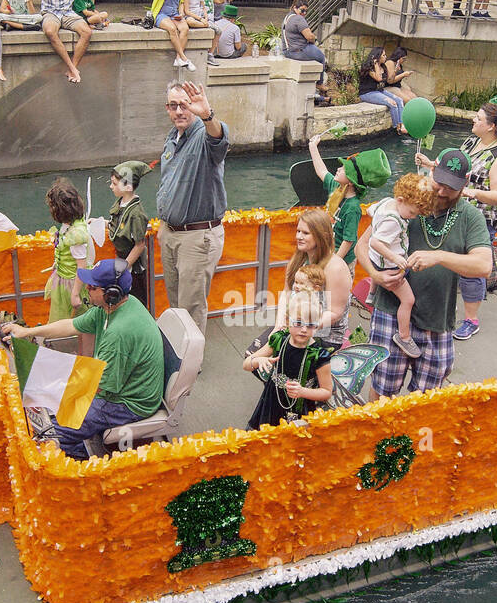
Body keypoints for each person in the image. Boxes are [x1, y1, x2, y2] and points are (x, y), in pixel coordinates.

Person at [355, 158, 493, 398]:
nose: (440, 191)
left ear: (465, 183)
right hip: (390, 312)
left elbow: (484, 266)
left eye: (450, 187)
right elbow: (363, 245)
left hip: (437, 319)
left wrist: (439, 256)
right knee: (382, 388)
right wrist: (376, 274)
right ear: (431, 170)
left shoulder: (470, 216)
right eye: (438, 182)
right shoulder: (407, 200)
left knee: (426, 397)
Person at [3, 259, 165, 459]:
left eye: (93, 287)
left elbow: (100, 387)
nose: (86, 289)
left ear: (110, 293)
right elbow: (71, 326)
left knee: (52, 432)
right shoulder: (113, 306)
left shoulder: (118, 334)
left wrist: (59, 388)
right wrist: (26, 331)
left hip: (128, 403)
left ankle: (82, 467)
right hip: (115, 385)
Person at [415, 98, 497, 340]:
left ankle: (471, 319)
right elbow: (457, 168)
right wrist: (432, 165)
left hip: (481, 219)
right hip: (457, 210)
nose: (474, 120)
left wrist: (471, 191)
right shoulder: (472, 141)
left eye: (479, 118)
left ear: (491, 126)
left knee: (471, 270)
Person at [156, 80, 227, 332]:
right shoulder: (173, 136)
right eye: (173, 106)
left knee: (191, 306)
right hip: (170, 234)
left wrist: (207, 116)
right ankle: (178, 351)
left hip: (197, 238)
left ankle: (189, 364)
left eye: (184, 105)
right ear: (167, 108)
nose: (179, 111)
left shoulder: (203, 135)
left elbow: (219, 140)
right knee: (176, 302)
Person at [243, 290, 335, 429]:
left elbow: (327, 392)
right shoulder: (279, 340)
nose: (303, 329)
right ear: (287, 321)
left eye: (310, 325)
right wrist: (258, 361)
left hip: (300, 409)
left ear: (317, 326)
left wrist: (303, 392)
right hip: (271, 404)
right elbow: (246, 365)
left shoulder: (318, 354)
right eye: (298, 323)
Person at [307, 137, 391, 271]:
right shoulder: (336, 187)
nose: (339, 169)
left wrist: (334, 263)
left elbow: (348, 240)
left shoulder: (353, 207)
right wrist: (313, 147)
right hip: (326, 251)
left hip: (341, 260)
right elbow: (321, 171)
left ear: (351, 182)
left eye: (344, 169)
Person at [275, 208, 354, 344]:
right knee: (254, 354)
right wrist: (279, 324)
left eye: (305, 233)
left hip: (326, 337)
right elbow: (286, 293)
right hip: (296, 326)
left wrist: (301, 327)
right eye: (298, 231)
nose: (299, 236)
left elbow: (335, 313)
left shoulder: (336, 267)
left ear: (321, 236)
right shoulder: (297, 260)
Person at [367, 185, 424, 358]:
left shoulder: (386, 202)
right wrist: (394, 257)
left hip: (374, 260)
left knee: (376, 268)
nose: (413, 217)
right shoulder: (394, 220)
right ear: (401, 201)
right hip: (388, 266)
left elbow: (370, 210)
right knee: (408, 300)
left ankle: (372, 292)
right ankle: (404, 336)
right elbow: (375, 242)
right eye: (412, 213)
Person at [42, 178, 94, 355]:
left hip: (72, 284)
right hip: (63, 280)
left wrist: (75, 293)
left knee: (80, 327)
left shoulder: (76, 236)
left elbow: (82, 267)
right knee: (72, 326)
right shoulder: (70, 226)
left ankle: (82, 358)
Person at [107, 160, 153, 308]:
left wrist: (125, 266)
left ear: (127, 186)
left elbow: (139, 245)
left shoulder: (136, 214)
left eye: (114, 184)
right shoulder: (120, 203)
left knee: (134, 301)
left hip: (132, 266)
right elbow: (117, 226)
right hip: (120, 259)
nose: (111, 187)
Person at [36, 0, 85, 84]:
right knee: (50, 31)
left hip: (68, 12)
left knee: (86, 31)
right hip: (51, 11)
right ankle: (72, 68)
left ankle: (72, 68)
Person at [152, 0, 195, 70]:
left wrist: (181, 13)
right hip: (161, 14)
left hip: (174, 14)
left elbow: (181, 2)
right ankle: (184, 58)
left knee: (185, 28)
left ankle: (178, 59)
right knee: (172, 29)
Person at [281, 0, 329, 90]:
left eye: (306, 11)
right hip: (298, 51)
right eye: (302, 10)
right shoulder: (298, 19)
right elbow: (309, 37)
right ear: (295, 7)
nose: (304, 13)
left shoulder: (287, 17)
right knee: (321, 57)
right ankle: (320, 83)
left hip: (287, 51)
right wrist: (313, 39)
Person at [358, 47, 407, 136]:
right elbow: (379, 78)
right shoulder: (369, 68)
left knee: (399, 100)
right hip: (367, 93)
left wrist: (395, 71)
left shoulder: (383, 67)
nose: (386, 57)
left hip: (379, 91)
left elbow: (388, 80)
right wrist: (375, 64)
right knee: (392, 103)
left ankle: (402, 124)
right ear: (377, 57)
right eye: (383, 55)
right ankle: (397, 128)